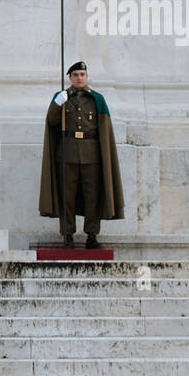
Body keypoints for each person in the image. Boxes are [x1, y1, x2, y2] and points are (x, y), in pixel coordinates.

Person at [38, 61, 124, 248]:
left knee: (91, 196)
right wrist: (56, 104)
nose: (79, 78)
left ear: (86, 77)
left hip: (91, 155)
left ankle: (91, 235)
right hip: (67, 154)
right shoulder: (62, 97)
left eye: (82, 75)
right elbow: (52, 122)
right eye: (75, 75)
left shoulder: (97, 99)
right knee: (66, 197)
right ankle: (67, 235)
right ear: (70, 77)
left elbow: (104, 129)